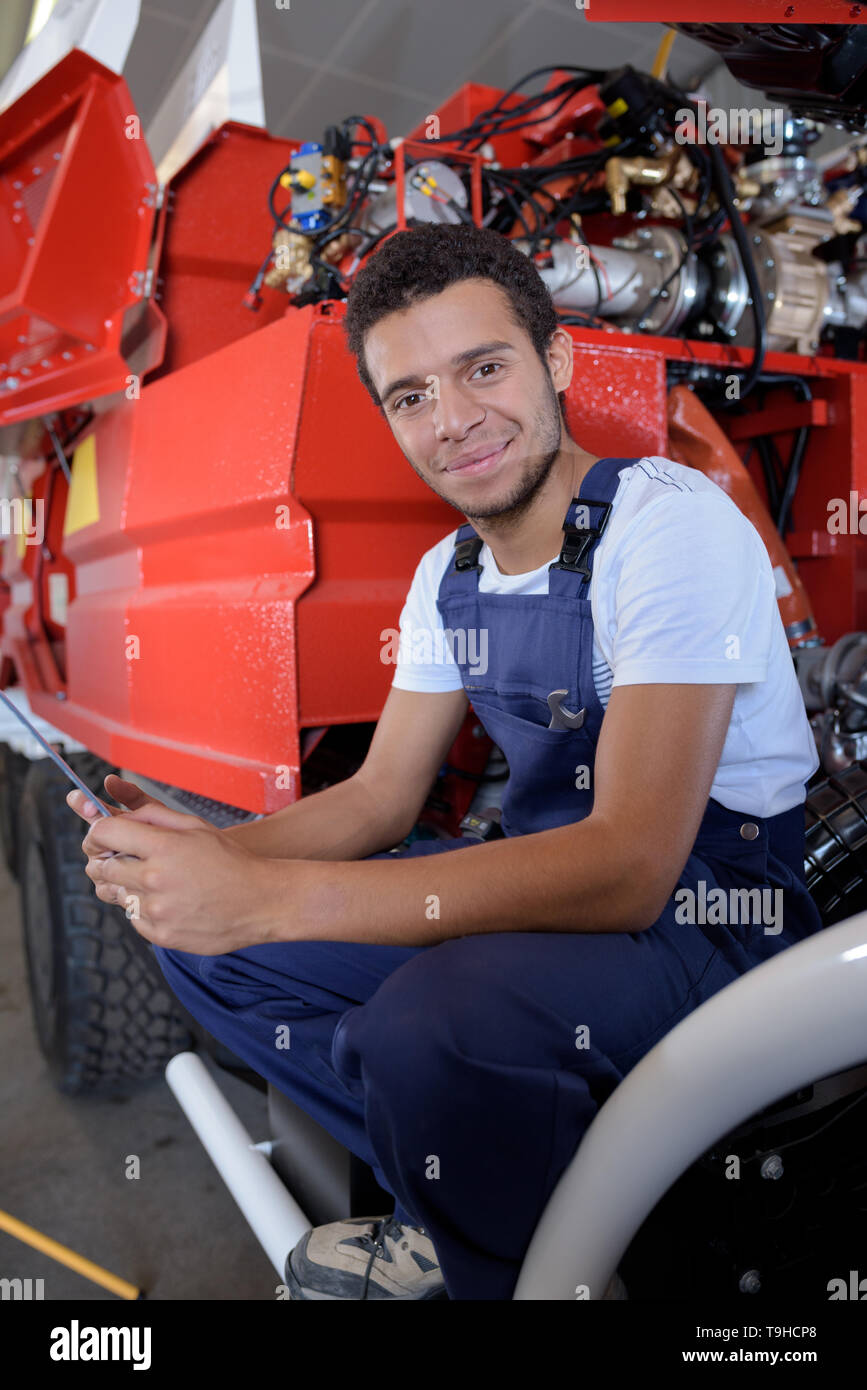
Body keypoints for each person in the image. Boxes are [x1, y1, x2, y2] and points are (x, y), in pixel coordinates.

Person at [69, 222, 822, 1301]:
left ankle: (530, 1260)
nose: (454, 419)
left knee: (428, 1024)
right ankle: (491, 1179)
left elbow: (631, 865)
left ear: (554, 361)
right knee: (206, 950)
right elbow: (381, 797)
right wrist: (211, 859)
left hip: (709, 907)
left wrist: (269, 897)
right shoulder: (448, 573)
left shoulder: (667, 527)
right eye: (411, 395)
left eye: (483, 368)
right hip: (548, 891)